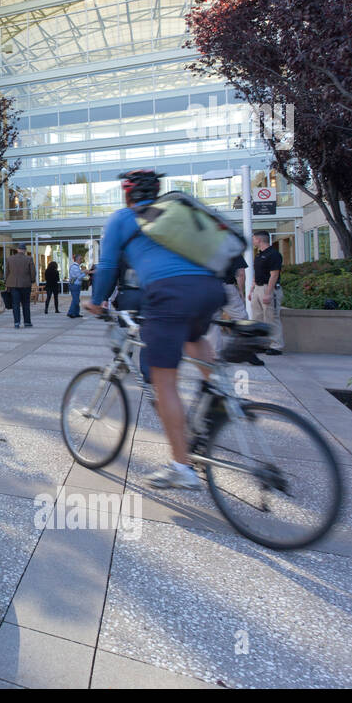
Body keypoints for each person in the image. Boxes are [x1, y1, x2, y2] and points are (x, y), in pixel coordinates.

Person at [83, 169, 225, 489]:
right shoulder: (173, 214)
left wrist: (96, 301)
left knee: (164, 382)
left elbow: (106, 266)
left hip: (169, 293)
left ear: (127, 193)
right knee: (194, 337)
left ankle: (181, 467)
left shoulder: (123, 218)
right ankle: (222, 396)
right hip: (209, 288)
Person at [210, 251, 261, 364]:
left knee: (213, 321)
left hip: (209, 288)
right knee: (241, 318)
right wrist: (241, 291)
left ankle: (215, 354)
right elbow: (241, 273)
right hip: (226, 287)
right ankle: (247, 351)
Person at [249, 231, 284, 355]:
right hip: (258, 289)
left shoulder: (274, 254)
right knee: (257, 318)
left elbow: (274, 275)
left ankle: (276, 346)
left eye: (253, 239)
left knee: (271, 318)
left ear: (259, 239)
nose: (252, 241)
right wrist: (251, 290)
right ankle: (262, 344)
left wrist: (268, 293)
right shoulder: (258, 255)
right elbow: (256, 273)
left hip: (268, 289)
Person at [4, 246, 35, 328]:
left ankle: (16, 322)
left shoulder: (10, 259)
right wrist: (32, 280)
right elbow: (32, 271)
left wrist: (6, 281)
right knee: (26, 303)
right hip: (25, 284)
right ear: (25, 250)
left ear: (17, 250)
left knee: (15, 304)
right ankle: (27, 322)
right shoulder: (29, 259)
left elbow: (7, 271)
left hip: (13, 284)